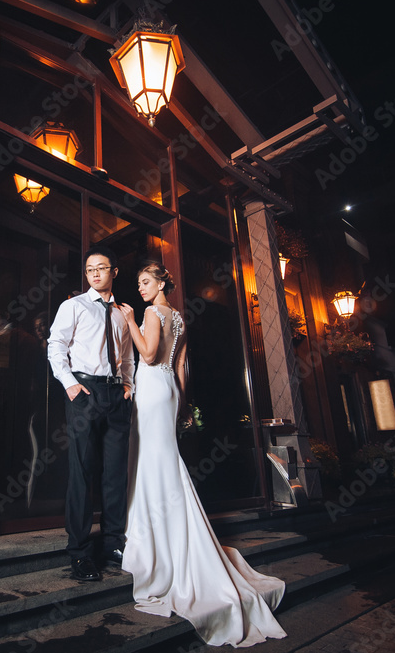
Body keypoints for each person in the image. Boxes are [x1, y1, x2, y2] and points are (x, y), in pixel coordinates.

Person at [116, 261, 287, 648]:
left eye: (145, 282)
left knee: (150, 461)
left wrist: (129, 322)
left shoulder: (152, 313)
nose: (140, 288)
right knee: (163, 461)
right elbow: (179, 366)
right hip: (169, 393)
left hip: (152, 390)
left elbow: (148, 355)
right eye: (139, 284)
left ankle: (152, 536)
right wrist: (181, 405)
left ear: (161, 283)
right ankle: (168, 528)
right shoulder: (179, 318)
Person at [47, 245, 134, 582]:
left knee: (115, 474)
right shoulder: (74, 305)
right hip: (85, 392)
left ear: (114, 272)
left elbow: (127, 355)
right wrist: (70, 384)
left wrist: (128, 386)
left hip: (116, 395)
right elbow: (56, 345)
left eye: (101, 268)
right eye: (89, 269)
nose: (95, 273)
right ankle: (80, 553)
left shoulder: (122, 313)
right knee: (82, 472)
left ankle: (113, 544)